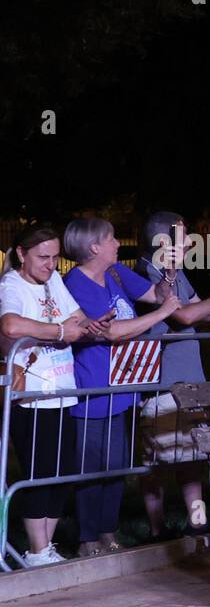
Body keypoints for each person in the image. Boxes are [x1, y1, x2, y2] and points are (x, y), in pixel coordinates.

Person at [61, 219, 181, 557]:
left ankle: (107, 533)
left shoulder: (116, 274)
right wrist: (162, 315)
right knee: (91, 467)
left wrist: (170, 272)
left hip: (122, 386)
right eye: (112, 238)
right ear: (94, 247)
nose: (118, 243)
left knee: (115, 466)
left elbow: (158, 295)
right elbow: (111, 332)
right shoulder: (76, 282)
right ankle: (87, 539)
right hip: (91, 387)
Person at [135, 211, 210, 541]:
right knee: (156, 461)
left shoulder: (178, 274)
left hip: (188, 383)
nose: (189, 245)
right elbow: (183, 316)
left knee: (192, 460)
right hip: (161, 385)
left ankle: (196, 521)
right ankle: (157, 530)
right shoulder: (149, 274)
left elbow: (199, 312)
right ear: (163, 242)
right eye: (183, 239)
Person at [0, 227, 108, 565]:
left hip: (63, 391)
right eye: (43, 257)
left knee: (61, 471)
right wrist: (60, 331)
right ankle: (35, 550)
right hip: (30, 395)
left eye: (55, 257)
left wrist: (91, 325)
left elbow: (76, 316)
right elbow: (11, 326)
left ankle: (45, 547)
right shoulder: (11, 286)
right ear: (21, 253)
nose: (51, 264)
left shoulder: (54, 282)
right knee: (39, 473)